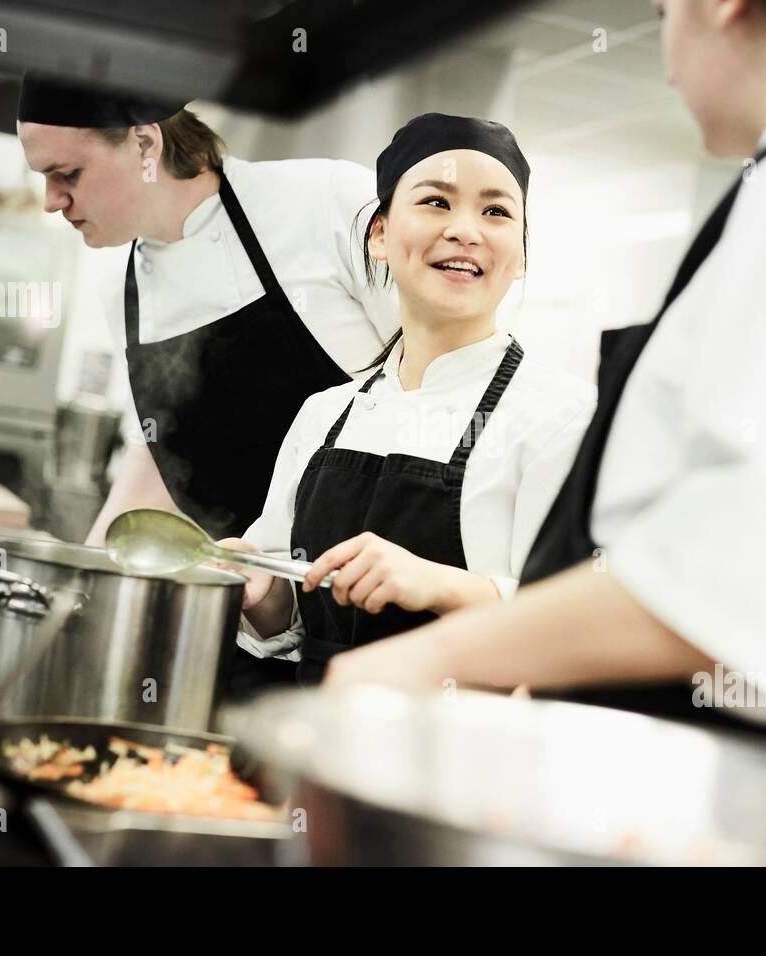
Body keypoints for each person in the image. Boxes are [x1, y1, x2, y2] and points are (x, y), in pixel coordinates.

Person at [320, 0, 766, 754]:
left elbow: (746, 582)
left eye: (662, 12)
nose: (667, 56)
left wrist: (429, 656)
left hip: (743, 783)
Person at [17, 73, 396, 693]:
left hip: (376, 621)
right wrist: (77, 591)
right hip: (243, 625)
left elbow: (439, 390)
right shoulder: (125, 292)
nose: (51, 201)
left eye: (68, 174)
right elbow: (162, 460)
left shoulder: (326, 202)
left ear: (145, 146)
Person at [226, 113, 595, 683]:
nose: (466, 231)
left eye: (496, 211)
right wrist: (259, 594)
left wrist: (438, 583)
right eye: (436, 202)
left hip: (457, 756)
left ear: (520, 255)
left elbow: (575, 629)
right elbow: (290, 623)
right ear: (378, 235)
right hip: (313, 739)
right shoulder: (323, 415)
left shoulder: (561, 417)